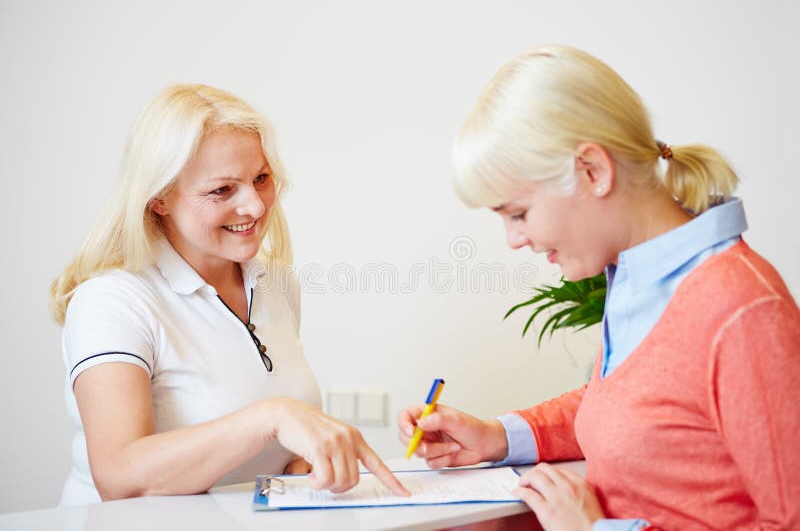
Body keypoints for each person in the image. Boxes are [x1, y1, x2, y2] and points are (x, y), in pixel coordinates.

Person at [398, 46, 800, 530]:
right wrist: (497, 436)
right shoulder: (638, 278)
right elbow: (642, 414)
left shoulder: (741, 310)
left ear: (593, 171)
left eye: (518, 213)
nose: (514, 240)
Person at [50, 84, 408, 505]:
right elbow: (119, 475)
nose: (256, 207)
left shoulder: (277, 283)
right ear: (158, 199)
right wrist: (272, 418)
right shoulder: (112, 303)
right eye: (222, 190)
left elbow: (246, 453)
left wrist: (298, 463)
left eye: (260, 178)